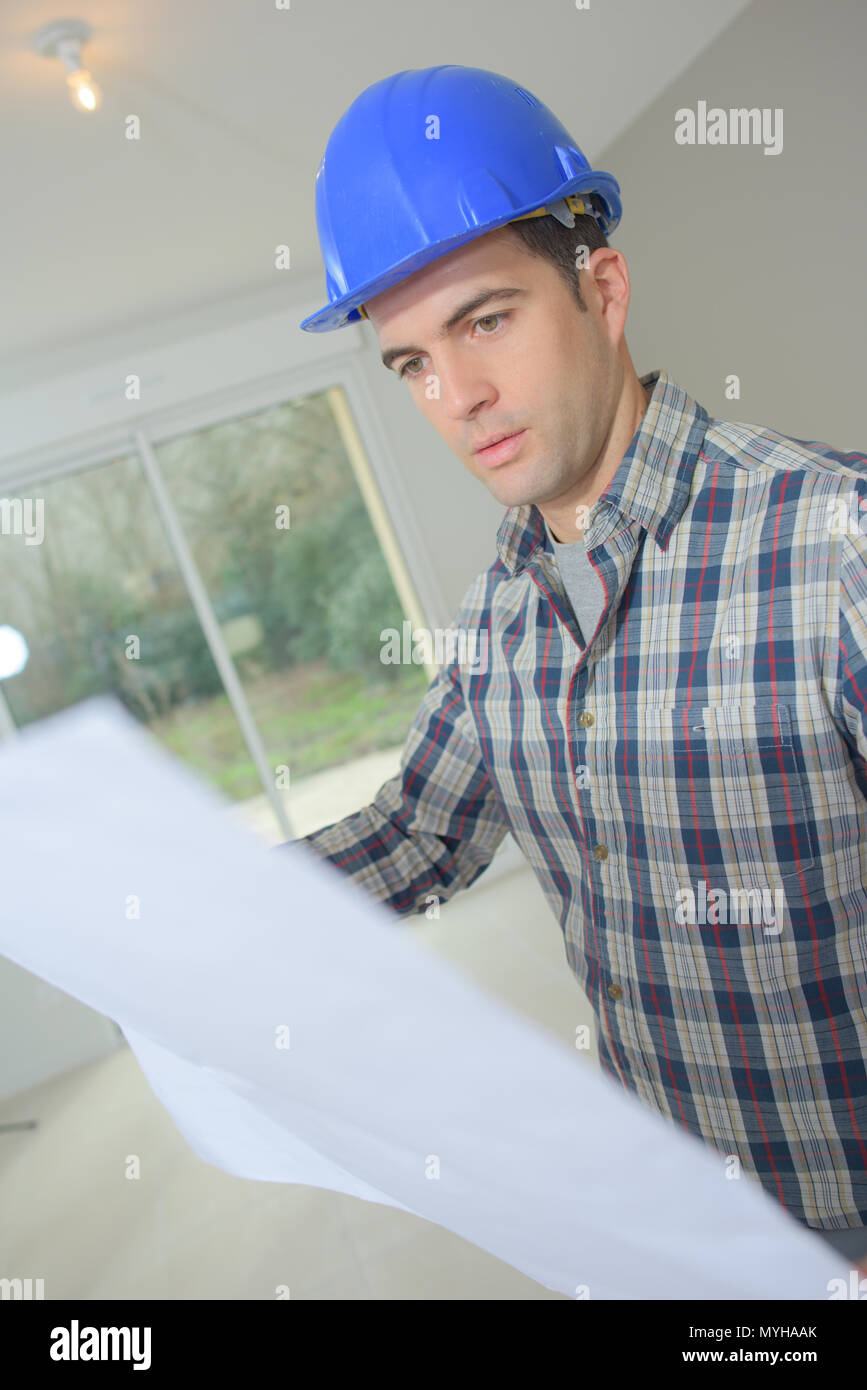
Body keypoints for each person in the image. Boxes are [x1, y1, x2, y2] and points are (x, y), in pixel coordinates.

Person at [296, 65, 867, 1266]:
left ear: (600, 287)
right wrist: (173, 907)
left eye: (484, 320)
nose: (457, 396)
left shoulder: (835, 540)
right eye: (410, 363)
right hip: (676, 1233)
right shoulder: (504, 608)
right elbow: (416, 835)